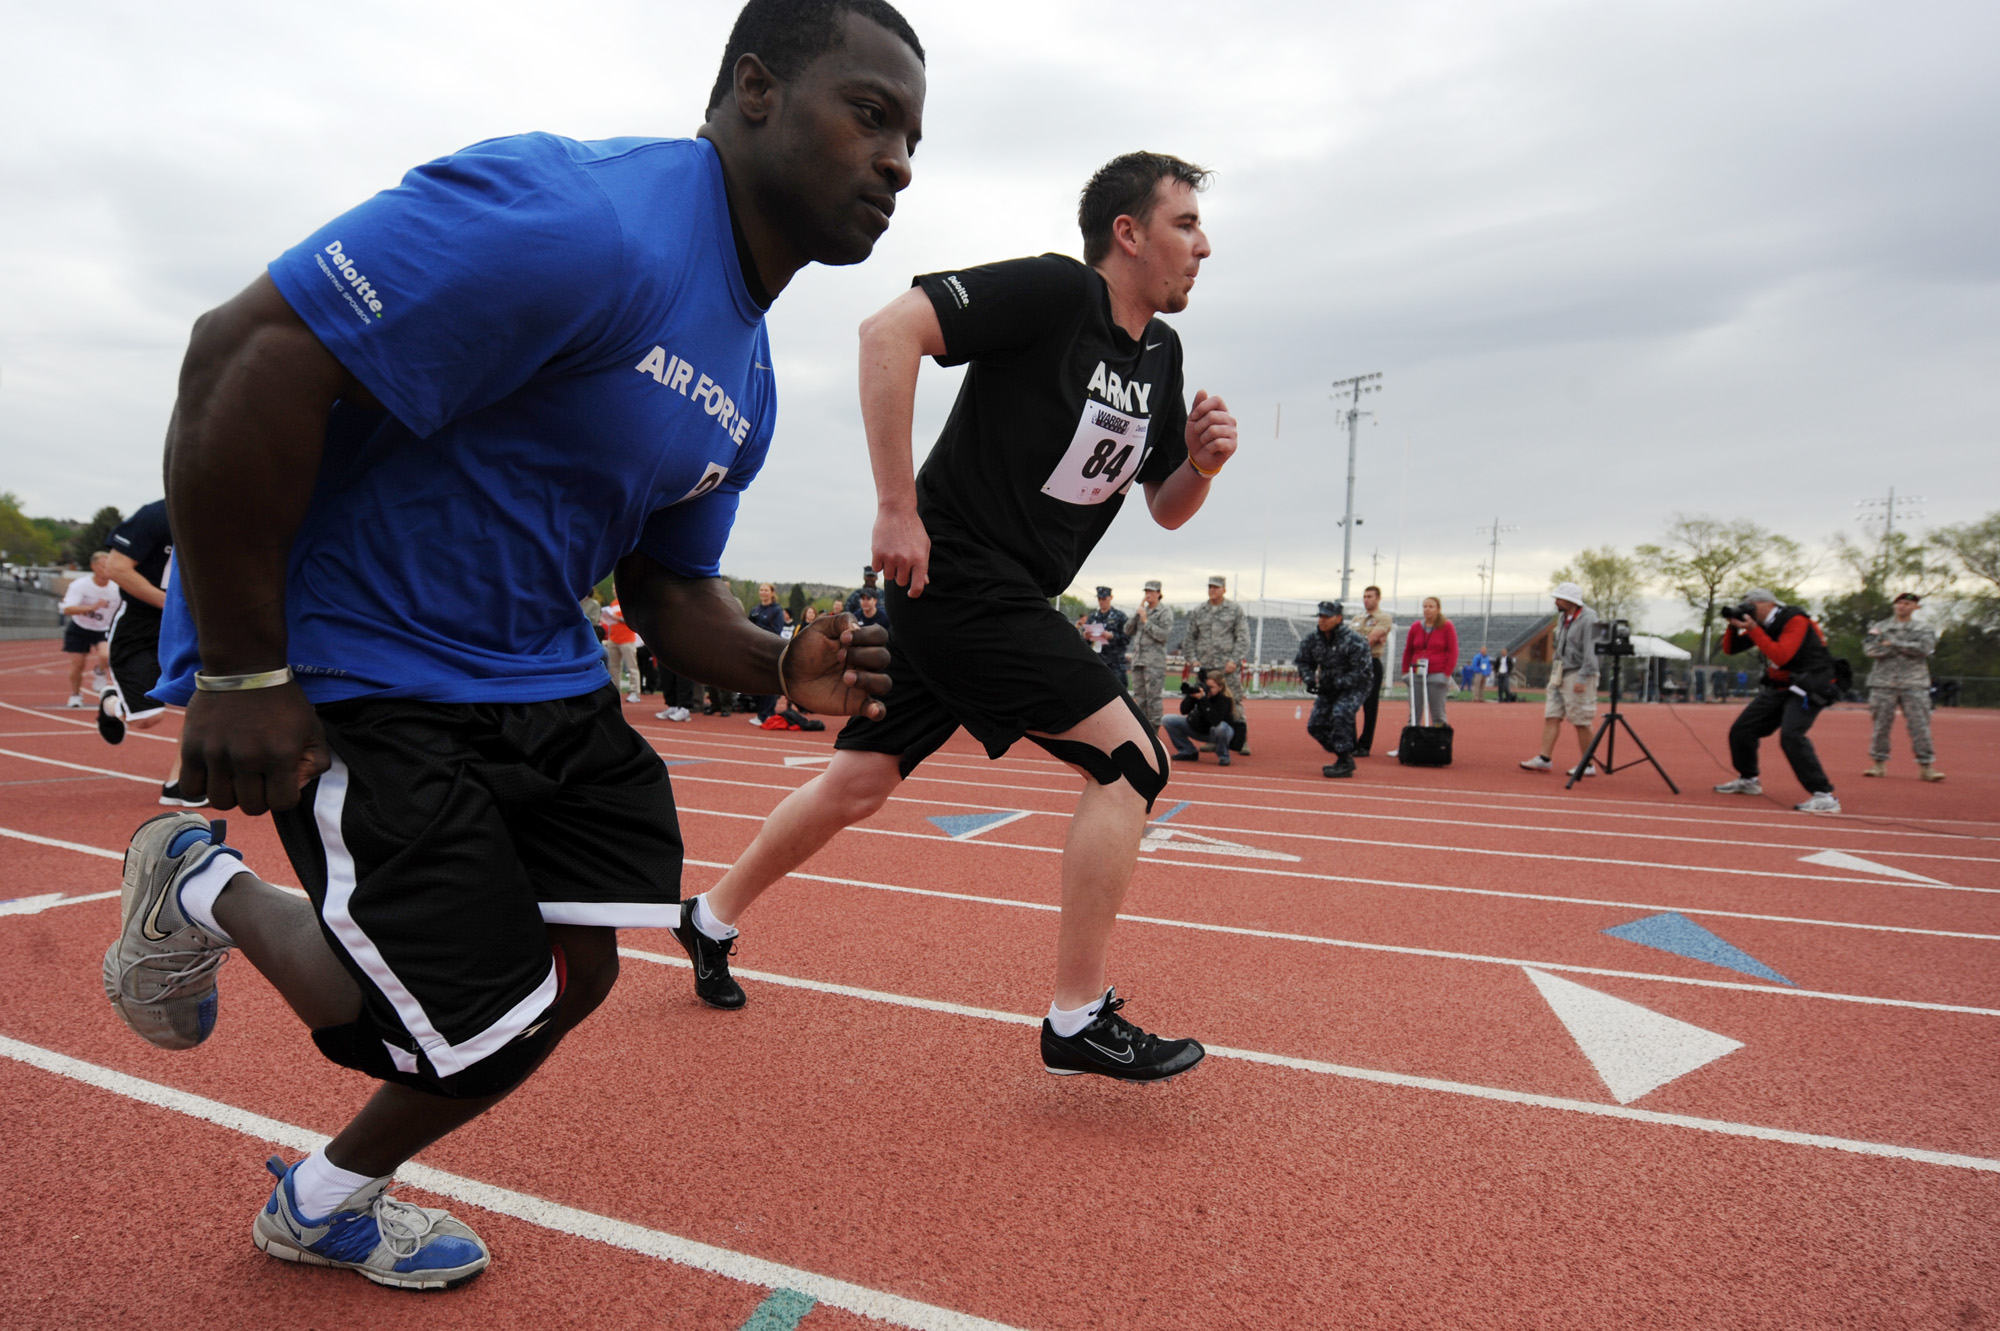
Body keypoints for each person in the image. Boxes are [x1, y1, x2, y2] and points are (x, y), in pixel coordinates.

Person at [103, 0, 918, 1290]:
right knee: (467, 1027)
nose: (897, 165)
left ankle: (321, 1202)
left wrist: (775, 665)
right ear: (753, 90)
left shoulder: (747, 377)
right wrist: (246, 669)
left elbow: (665, 585)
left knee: (577, 965)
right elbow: (242, 352)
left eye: (911, 141)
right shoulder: (579, 219)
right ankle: (199, 882)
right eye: (868, 116)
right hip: (358, 652)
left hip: (534, 672)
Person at [674, 150, 1237, 1083]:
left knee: (856, 786)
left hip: (989, 599)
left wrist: (1204, 465)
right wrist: (896, 505)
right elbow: (886, 333)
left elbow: (1164, 505)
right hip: (963, 581)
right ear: (1127, 234)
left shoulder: (1159, 357)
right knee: (1133, 759)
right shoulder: (1059, 295)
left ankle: (710, 916)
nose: (1203, 246)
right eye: (1185, 225)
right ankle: (1076, 1017)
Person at [99, 499, 203, 805]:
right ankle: (110, 703)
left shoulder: (223, 515)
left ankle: (179, 782)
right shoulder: (158, 514)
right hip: (140, 626)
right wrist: (169, 603)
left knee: (201, 698)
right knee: (147, 718)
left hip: (193, 624)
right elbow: (116, 567)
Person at [1711, 588, 1840, 812]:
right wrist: (1733, 625)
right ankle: (1749, 780)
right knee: (1742, 730)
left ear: (1768, 604)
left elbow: (1781, 655)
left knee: (1791, 736)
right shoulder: (1762, 624)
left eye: (1751, 605)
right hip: (1780, 686)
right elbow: (1730, 649)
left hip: (1810, 686)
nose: (1748, 610)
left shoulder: (1795, 619)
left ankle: (1824, 795)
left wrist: (1752, 629)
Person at [1520, 582, 1599, 778]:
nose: (1556, 601)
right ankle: (1544, 758)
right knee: (1552, 715)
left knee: (1581, 719)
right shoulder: (1563, 618)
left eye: (1559, 598)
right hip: (1560, 672)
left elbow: (1594, 651)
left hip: (1579, 673)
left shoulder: (1591, 619)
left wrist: (1583, 677)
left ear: (1571, 600)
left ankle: (1588, 763)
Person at [1864, 591, 1943, 781]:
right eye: (1899, 603)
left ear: (1915, 607)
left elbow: (1925, 649)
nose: (1902, 606)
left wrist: (1893, 643)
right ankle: (1878, 764)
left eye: (1907, 604)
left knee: (1920, 726)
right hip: (1883, 683)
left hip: (1914, 683)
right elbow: (1870, 649)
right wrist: (1905, 647)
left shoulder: (1924, 628)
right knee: (1880, 726)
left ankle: (1926, 766)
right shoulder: (1879, 627)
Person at [1295, 599, 1372, 779]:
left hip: (1355, 686)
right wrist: (1309, 680)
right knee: (1315, 726)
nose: (1322, 620)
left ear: (1338, 619)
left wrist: (1337, 683)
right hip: (1328, 687)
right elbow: (1303, 661)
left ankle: (1345, 761)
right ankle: (1342, 751)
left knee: (1341, 712)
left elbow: (1362, 672)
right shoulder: (1313, 639)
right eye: (1320, 616)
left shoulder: (1354, 641)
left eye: (1326, 617)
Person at [1183, 574, 1250, 754]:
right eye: (1210, 587)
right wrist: (1192, 659)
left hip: (1226, 667)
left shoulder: (1234, 610)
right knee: (1206, 701)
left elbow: (1243, 638)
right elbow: (1190, 637)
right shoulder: (1199, 611)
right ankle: (1213, 738)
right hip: (1205, 666)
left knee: (1234, 700)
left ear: (1224, 589)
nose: (1212, 590)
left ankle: (1241, 740)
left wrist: (1234, 660)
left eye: (1216, 587)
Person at [59, 551, 121, 707]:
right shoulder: (80, 585)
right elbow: (67, 609)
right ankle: (75, 695)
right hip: (80, 627)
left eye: (109, 565)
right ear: (93, 566)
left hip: (103, 628)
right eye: (102, 565)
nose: (106, 568)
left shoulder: (117, 588)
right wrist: (91, 607)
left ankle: (100, 672)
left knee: (106, 655)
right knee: (77, 664)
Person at [1399, 596, 1458, 729]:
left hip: (1437, 673)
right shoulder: (1415, 627)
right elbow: (1408, 650)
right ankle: (1412, 741)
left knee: (1438, 713)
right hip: (1417, 673)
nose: (1427, 609)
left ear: (1438, 609)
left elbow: (1453, 651)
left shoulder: (1447, 626)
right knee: (1414, 712)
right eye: (1425, 606)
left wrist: (1446, 674)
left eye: (1431, 607)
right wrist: (1405, 672)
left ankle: (1439, 743)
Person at [1126, 579, 1172, 732]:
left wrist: (1146, 621)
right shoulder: (1141, 611)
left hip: (1154, 662)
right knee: (1140, 697)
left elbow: (1163, 635)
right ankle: (1143, 730)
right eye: (1146, 592)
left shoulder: (1165, 612)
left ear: (1159, 593)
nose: (1148, 595)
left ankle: (1154, 730)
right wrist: (1138, 612)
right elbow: (1127, 630)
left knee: (1153, 698)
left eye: (1151, 591)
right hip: (1138, 660)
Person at [1352, 585, 1392, 753]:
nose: (1366, 599)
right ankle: (1350, 742)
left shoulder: (1383, 618)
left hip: (1371, 662)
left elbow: (1370, 640)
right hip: (1353, 663)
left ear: (1378, 598)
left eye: (1370, 596)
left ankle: (1365, 744)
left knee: (1370, 706)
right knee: (1349, 702)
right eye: (1364, 596)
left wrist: (1353, 644)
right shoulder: (1357, 618)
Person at [1164, 670, 1235, 765]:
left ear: (1220, 687)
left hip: (1215, 733)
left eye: (1211, 687)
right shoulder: (1200, 693)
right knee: (1168, 719)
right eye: (1207, 686)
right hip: (1197, 728)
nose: (1208, 690)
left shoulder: (1224, 699)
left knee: (1221, 728)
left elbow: (1215, 721)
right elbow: (1183, 711)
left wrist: (1203, 700)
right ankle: (1188, 751)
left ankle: (1224, 756)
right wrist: (1191, 696)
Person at [748, 582, 788, 725]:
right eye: (761, 590)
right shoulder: (755, 610)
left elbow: (776, 631)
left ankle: (767, 714)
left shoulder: (777, 611)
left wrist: (758, 627)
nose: (763, 592)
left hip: (770, 652)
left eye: (766, 590)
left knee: (768, 683)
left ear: (772, 593)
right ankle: (760, 713)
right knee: (756, 683)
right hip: (755, 651)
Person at [1076, 584, 1129, 686]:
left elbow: (1127, 639)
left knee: (1120, 696)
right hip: (1098, 662)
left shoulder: (1120, 616)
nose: (1101, 601)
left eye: (1104, 598)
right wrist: (1086, 637)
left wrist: (1111, 636)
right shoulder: (1092, 617)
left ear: (1110, 598)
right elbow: (1087, 643)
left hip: (1116, 663)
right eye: (1099, 598)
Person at [601, 598, 643, 703]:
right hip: (614, 638)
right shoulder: (613, 603)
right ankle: (615, 691)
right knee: (613, 667)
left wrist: (618, 618)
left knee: (632, 667)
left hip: (627, 639)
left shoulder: (629, 603)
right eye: (613, 589)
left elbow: (633, 620)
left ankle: (635, 692)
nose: (615, 591)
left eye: (615, 588)